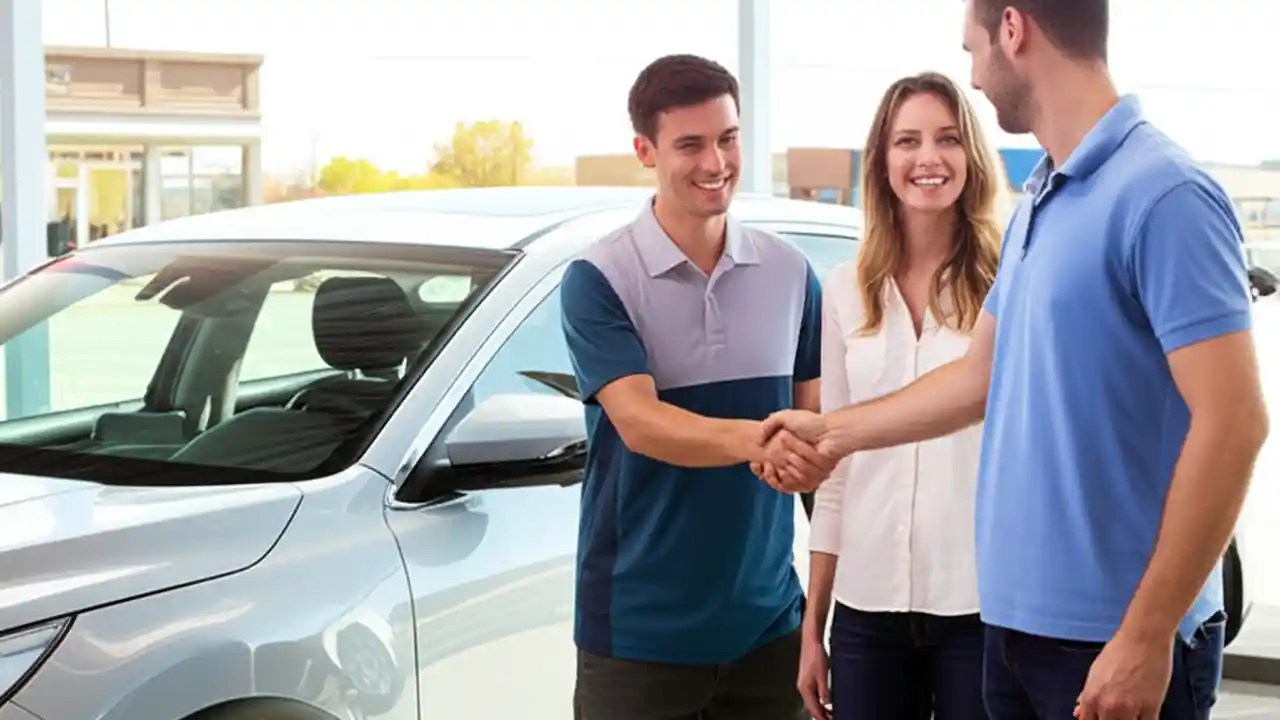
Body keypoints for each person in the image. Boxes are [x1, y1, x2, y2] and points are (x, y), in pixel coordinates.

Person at [762, 1, 1270, 718]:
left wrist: (1148, 634)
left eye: (971, 49)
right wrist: (831, 433)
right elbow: (979, 377)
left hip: (1111, 644)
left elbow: (1237, 423)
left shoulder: (1165, 193)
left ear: (1012, 28)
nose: (973, 74)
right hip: (1016, 633)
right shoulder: (1041, 200)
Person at [560, 53, 834, 720]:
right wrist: (764, 440)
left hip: (771, 630)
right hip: (637, 640)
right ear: (645, 151)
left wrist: (830, 617)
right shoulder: (600, 280)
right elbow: (643, 423)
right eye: (691, 145)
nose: (715, 162)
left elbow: (818, 450)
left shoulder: (792, 274)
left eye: (728, 138)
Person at [780, 71, 1004, 720]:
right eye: (907, 141)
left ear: (973, 158)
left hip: (980, 605)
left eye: (948, 139)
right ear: (882, 161)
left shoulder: (1007, 284)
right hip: (866, 609)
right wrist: (813, 625)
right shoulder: (846, 288)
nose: (927, 158)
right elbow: (837, 471)